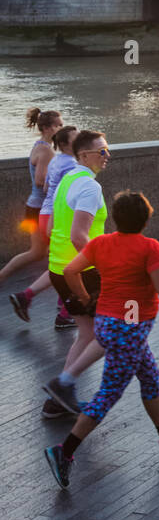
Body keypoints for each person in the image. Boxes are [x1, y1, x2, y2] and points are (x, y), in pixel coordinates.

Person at [43, 190, 159, 489]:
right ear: (146, 218)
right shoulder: (150, 247)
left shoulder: (101, 243)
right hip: (130, 327)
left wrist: (87, 298)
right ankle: (64, 451)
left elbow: (71, 270)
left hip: (111, 320)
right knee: (107, 394)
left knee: (150, 376)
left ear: (115, 217)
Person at [41, 131, 110, 422]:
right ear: (83, 155)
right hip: (84, 271)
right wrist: (109, 267)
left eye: (107, 150)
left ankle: (56, 400)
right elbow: (80, 237)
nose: (107, 156)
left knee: (86, 333)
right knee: (108, 335)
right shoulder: (89, 187)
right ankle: (63, 383)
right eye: (101, 152)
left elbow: (53, 229)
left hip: (59, 268)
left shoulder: (67, 179)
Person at [9, 123, 78, 327]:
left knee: (61, 262)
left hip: (45, 213)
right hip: (58, 216)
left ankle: (61, 303)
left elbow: (47, 186)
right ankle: (65, 312)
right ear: (65, 144)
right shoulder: (72, 165)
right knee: (76, 263)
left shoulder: (56, 160)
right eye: (76, 138)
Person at [0, 107, 63, 285]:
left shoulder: (40, 146)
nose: (61, 128)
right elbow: (40, 182)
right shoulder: (46, 151)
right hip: (40, 208)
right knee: (45, 251)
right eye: (59, 125)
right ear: (48, 128)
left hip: (34, 206)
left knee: (39, 252)